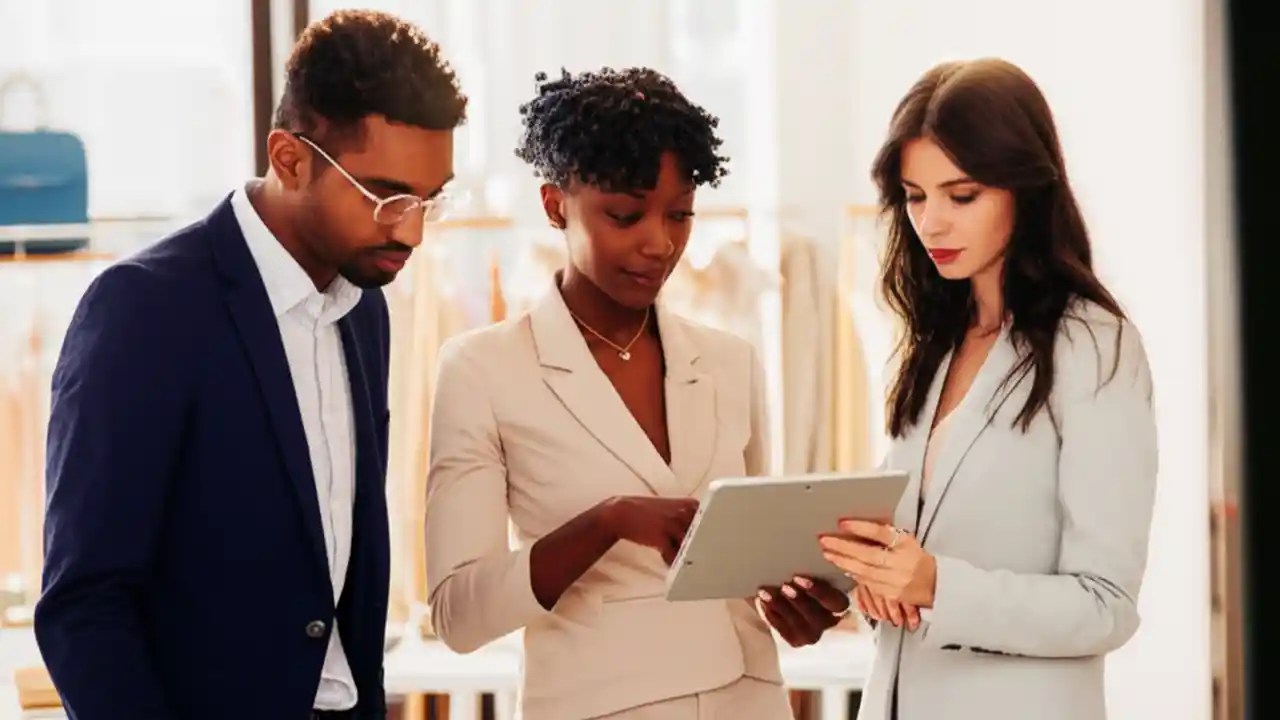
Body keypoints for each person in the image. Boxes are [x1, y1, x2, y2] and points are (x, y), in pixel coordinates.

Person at [34, 10, 466, 720]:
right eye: (385, 196)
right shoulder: (146, 308)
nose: (411, 229)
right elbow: (86, 604)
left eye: (428, 199)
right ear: (290, 158)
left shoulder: (365, 308)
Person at [424, 67, 850, 720]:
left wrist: (793, 606)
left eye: (680, 214)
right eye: (625, 215)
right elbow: (459, 615)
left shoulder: (730, 361)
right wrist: (609, 521)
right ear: (555, 205)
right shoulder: (482, 369)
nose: (660, 242)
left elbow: (745, 564)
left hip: (748, 701)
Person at [818, 58, 1158, 720]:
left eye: (962, 196)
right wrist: (869, 578)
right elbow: (913, 553)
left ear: (1025, 190)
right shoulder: (933, 343)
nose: (931, 223)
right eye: (915, 196)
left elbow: (1106, 604)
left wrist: (937, 585)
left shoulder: (1094, 347)